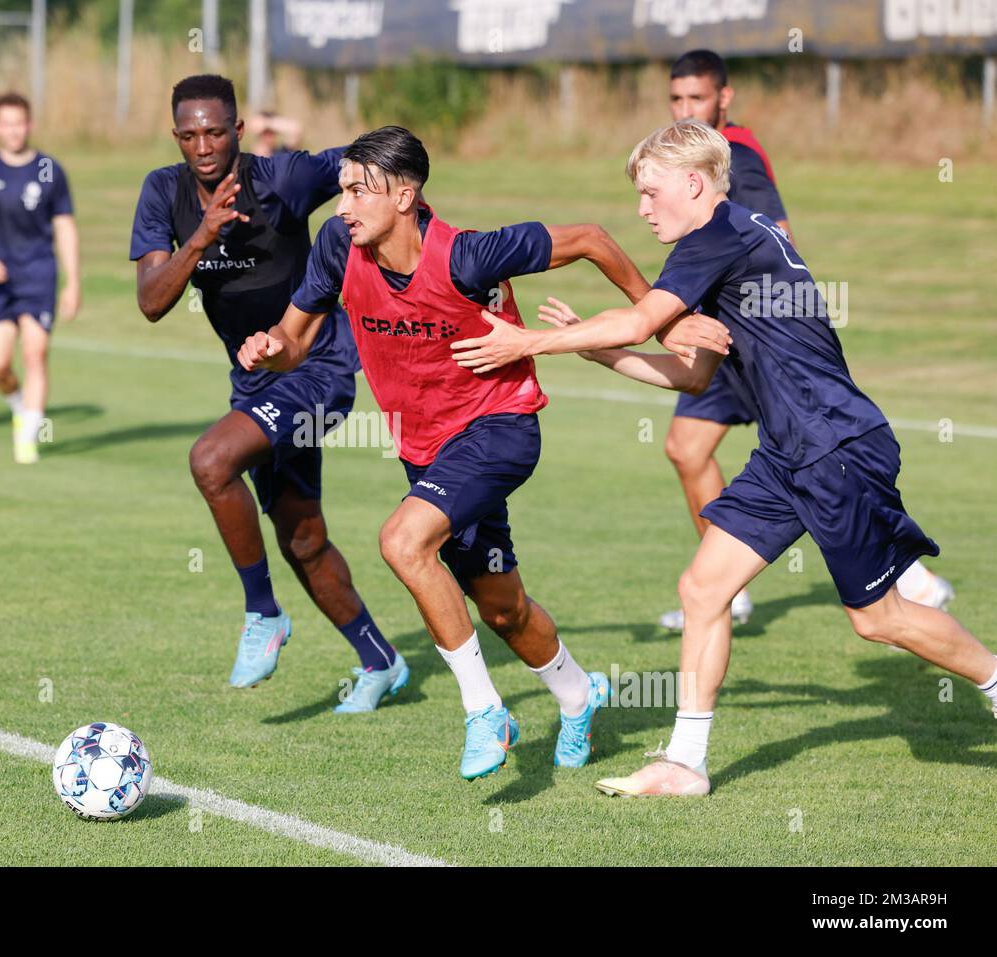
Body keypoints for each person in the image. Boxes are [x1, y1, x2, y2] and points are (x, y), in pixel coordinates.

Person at [449, 119, 997, 796]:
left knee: (878, 618)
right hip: (786, 453)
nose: (642, 208)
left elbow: (640, 317)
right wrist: (600, 351)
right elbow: (693, 376)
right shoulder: (722, 243)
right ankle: (686, 761)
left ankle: (995, 680)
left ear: (693, 182)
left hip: (835, 447)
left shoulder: (719, 235)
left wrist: (524, 344)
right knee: (703, 588)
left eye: (651, 193)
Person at [237, 126, 686, 779]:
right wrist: (273, 348)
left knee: (402, 541)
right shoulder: (339, 245)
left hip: (500, 429)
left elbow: (590, 237)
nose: (343, 207)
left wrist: (658, 314)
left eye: (359, 191)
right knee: (503, 607)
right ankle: (578, 694)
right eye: (342, 191)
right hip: (428, 449)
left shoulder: (470, 256)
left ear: (405, 195)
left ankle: (485, 712)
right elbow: (296, 335)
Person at [131, 75, 404, 709]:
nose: (204, 145)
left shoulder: (283, 179)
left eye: (217, 131)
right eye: (191, 134)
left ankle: (263, 614)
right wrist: (199, 236)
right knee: (302, 538)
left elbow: (379, 163)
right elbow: (150, 302)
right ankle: (380, 660)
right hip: (255, 381)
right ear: (177, 136)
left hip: (319, 367)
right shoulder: (162, 193)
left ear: (239, 130)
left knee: (210, 460)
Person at [658, 50, 953, 627]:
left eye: (697, 98)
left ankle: (914, 581)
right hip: (725, 333)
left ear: (725, 98)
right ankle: (726, 591)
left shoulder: (735, 156)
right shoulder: (693, 159)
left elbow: (780, 235)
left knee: (809, 463)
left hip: (753, 342)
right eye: (676, 99)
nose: (685, 109)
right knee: (687, 448)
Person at [0, 91, 81, 465]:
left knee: (35, 352)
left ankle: (28, 437)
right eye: (6, 123)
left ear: (29, 125)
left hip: (38, 274)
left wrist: (73, 281)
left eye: (20, 123)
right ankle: (18, 405)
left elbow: (65, 227)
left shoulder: (50, 170)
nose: (14, 131)